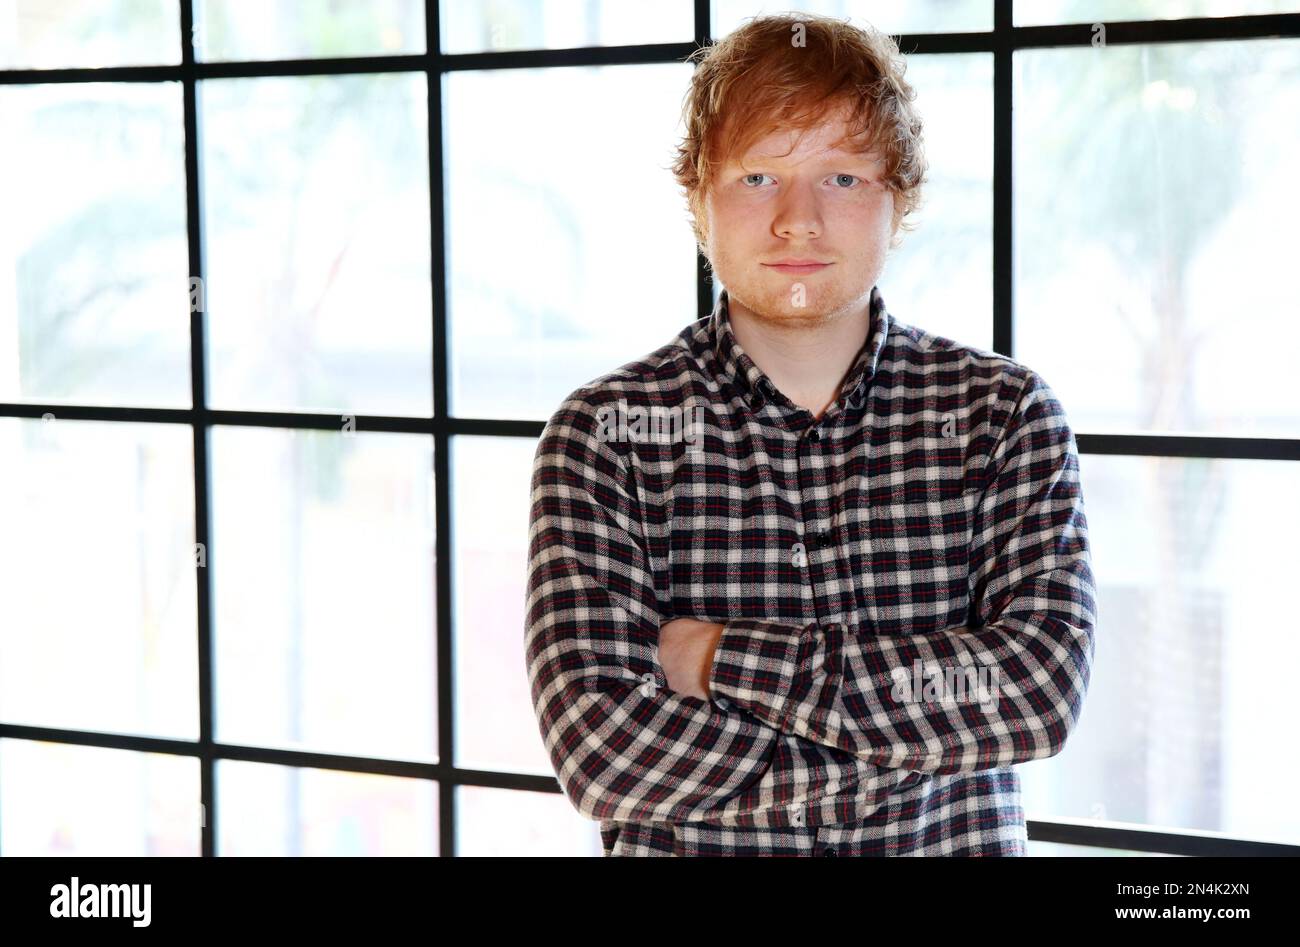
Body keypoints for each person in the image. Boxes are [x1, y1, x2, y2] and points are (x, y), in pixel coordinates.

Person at [524, 12, 1096, 856]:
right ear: (697, 200)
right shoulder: (604, 436)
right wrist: (921, 751)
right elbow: (603, 751)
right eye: (757, 178)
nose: (797, 220)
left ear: (897, 197)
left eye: (842, 178)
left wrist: (720, 659)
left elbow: (1039, 692)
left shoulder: (1004, 416)